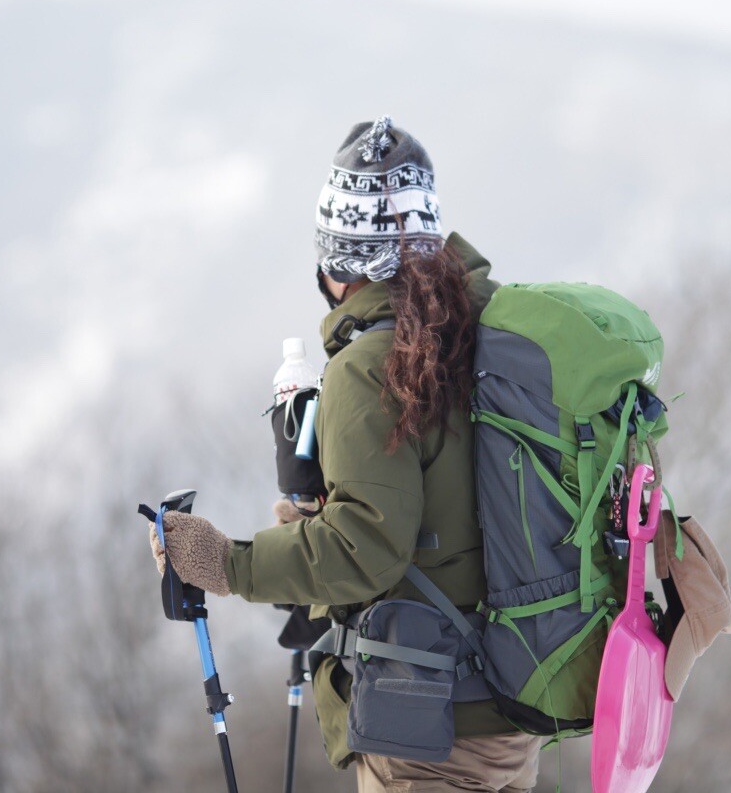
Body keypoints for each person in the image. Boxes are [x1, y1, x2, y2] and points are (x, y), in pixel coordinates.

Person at [150, 116, 541, 792]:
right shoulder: (478, 339)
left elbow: (367, 549)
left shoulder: (371, 367)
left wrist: (227, 562)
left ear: (338, 263)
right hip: (505, 715)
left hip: (427, 734)